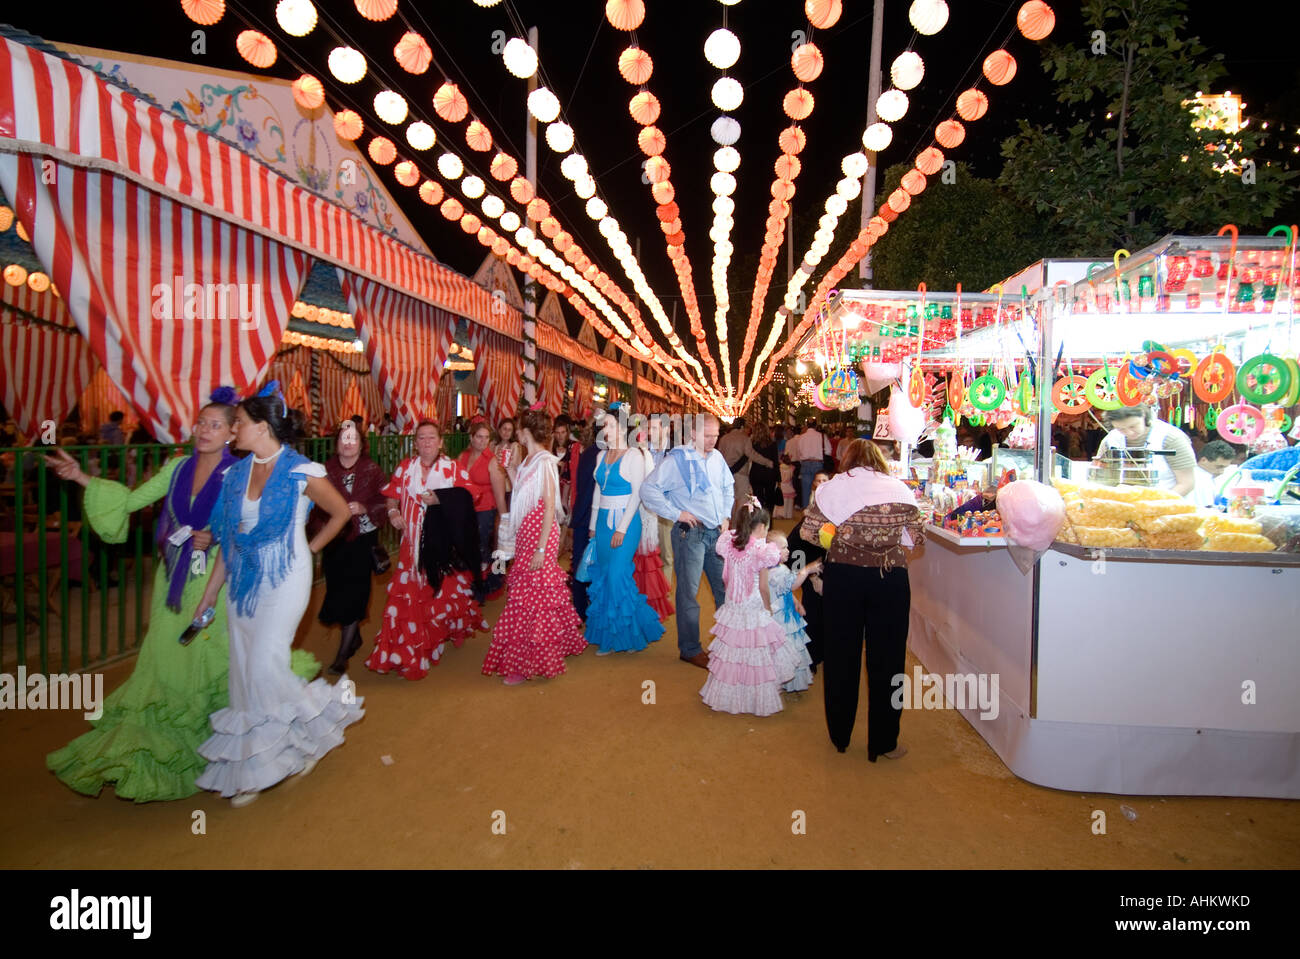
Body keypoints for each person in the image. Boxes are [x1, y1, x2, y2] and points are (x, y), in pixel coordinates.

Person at [43, 389, 321, 802]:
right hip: (172, 580)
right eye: (199, 423)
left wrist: (219, 536)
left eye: (214, 424)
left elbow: (262, 525)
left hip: (220, 579)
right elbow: (132, 501)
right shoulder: (175, 469)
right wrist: (80, 477)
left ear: (232, 432)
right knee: (166, 664)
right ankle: (175, 755)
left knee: (225, 667)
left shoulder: (240, 473)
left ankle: (255, 746)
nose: (202, 431)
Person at [193, 383, 362, 805]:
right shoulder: (234, 475)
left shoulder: (302, 472)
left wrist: (311, 547)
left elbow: (341, 512)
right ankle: (261, 760)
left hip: (287, 577)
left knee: (266, 663)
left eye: (239, 424)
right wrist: (210, 595)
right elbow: (228, 541)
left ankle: (305, 735)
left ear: (263, 427)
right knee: (246, 671)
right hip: (243, 583)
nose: (233, 431)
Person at [801, 440, 925, 762]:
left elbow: (809, 533)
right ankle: (884, 742)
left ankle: (840, 735)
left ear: (847, 460)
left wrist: (839, 535)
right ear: (879, 461)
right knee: (890, 659)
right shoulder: (899, 488)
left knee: (842, 654)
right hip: (891, 578)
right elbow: (917, 538)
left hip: (844, 577)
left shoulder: (834, 487)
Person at [367, 421, 484, 679]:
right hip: (410, 546)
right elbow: (392, 494)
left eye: (432, 437)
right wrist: (393, 511)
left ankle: (435, 638)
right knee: (409, 597)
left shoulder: (452, 469)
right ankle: (410, 650)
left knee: (438, 594)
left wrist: (441, 498)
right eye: (421, 438)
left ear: (440, 442)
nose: (427, 442)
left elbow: (471, 496)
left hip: (441, 546)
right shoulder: (405, 468)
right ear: (415, 443)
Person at [482, 408, 586, 685]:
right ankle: (557, 643)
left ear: (526, 430)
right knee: (531, 594)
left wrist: (542, 549)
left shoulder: (545, 462)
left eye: (518, 427)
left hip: (541, 535)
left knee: (532, 597)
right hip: (527, 533)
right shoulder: (529, 461)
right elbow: (523, 493)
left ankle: (526, 659)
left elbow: (550, 507)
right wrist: (512, 470)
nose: (515, 432)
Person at [639, 413, 735, 669]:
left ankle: (732, 642)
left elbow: (728, 487)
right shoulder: (677, 459)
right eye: (708, 435)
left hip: (716, 533)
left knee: (724, 588)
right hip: (689, 535)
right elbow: (648, 490)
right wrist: (676, 513)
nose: (713, 440)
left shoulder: (717, 458)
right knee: (689, 595)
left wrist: (726, 515)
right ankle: (690, 649)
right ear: (693, 433)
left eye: (716, 435)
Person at [699, 501, 798, 716]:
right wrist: (767, 608)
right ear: (762, 527)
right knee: (755, 649)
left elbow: (733, 536)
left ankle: (730, 694)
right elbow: (763, 587)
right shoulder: (762, 550)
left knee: (733, 649)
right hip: (752, 604)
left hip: (733, 604)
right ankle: (754, 697)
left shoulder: (730, 543)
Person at [308, 420, 389, 674]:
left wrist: (365, 508)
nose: (348, 443)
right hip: (335, 539)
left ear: (361, 444)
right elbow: (315, 505)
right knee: (337, 589)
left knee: (356, 592)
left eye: (353, 438)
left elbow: (384, 501)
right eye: (344, 438)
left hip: (363, 539)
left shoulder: (372, 470)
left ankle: (342, 654)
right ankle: (353, 637)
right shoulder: (325, 471)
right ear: (337, 444)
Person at [584, 412, 665, 654]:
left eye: (608, 425)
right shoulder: (601, 455)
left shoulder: (634, 455)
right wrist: (592, 525)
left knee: (617, 576)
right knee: (605, 576)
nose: (604, 429)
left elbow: (637, 494)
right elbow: (598, 493)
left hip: (626, 523)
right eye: (602, 425)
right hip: (601, 524)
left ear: (621, 428)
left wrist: (621, 528)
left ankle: (626, 635)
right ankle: (613, 634)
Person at [457, 419, 509, 602]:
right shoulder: (462, 457)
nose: (483, 441)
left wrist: (504, 521)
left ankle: (481, 588)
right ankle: (466, 586)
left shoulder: (492, 461)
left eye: (486, 438)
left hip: (485, 509)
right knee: (464, 548)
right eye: (479, 437)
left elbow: (500, 494)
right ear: (471, 438)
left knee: (482, 549)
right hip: (464, 510)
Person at [629, 414, 674, 621]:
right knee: (645, 553)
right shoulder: (641, 450)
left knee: (666, 554)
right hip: (644, 509)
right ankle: (646, 596)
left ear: (665, 429)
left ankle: (661, 597)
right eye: (648, 428)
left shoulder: (674, 451)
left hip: (665, 509)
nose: (650, 432)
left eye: (655, 428)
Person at [1094, 405, 1196, 495]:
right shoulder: (1111, 439)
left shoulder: (1170, 438)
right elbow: (1099, 476)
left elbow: (1186, 483)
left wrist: (1159, 504)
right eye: (1121, 429)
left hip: (1165, 505)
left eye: (1133, 426)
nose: (1129, 432)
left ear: (1143, 415)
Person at [766, 529, 822, 693]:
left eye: (787, 547)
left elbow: (785, 591)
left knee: (786, 649)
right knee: (781, 649)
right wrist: (807, 569)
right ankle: (776, 682)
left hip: (785, 613)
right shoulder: (776, 571)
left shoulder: (778, 567)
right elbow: (792, 585)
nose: (788, 551)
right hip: (778, 618)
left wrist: (796, 602)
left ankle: (784, 680)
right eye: (783, 548)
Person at [787, 470, 831, 671]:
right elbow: (795, 551)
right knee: (813, 609)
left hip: (831, 572)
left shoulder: (838, 520)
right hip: (810, 570)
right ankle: (812, 656)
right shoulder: (806, 522)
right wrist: (811, 576)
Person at [566, 421, 601, 620]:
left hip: (584, 517)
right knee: (586, 566)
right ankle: (581, 611)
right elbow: (588, 492)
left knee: (583, 565)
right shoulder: (598, 455)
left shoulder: (589, 453)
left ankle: (581, 610)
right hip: (589, 519)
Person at [718, 417, 774, 515]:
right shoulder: (744, 438)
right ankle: (737, 524)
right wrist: (767, 462)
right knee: (741, 500)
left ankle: (728, 522)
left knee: (728, 499)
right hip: (741, 474)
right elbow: (751, 454)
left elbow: (719, 455)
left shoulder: (723, 438)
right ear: (742, 426)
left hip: (726, 474)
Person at [791, 419, 831, 508]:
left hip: (805, 464)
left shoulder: (801, 437)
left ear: (806, 425)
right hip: (818, 464)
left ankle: (806, 511)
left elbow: (798, 452)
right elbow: (828, 451)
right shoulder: (822, 436)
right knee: (819, 488)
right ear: (816, 426)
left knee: (806, 490)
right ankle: (818, 509)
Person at [1190, 438, 1239, 508]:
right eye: (1219, 467)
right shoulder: (1201, 480)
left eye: (1225, 468)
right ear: (1203, 460)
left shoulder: (1204, 476)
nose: (1222, 472)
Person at [748, 421, 780, 515]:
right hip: (770, 474)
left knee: (758, 498)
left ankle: (759, 519)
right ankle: (768, 519)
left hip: (756, 473)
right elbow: (775, 461)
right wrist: (778, 478)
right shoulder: (772, 444)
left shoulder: (751, 443)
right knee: (770, 498)